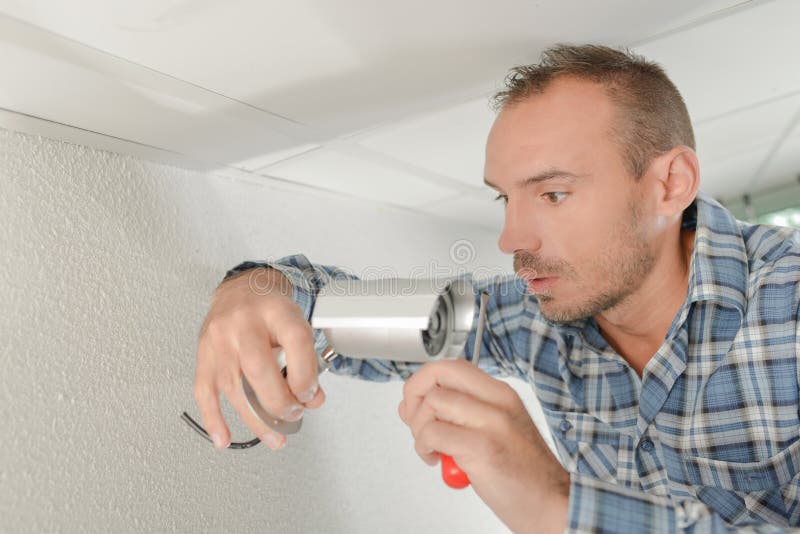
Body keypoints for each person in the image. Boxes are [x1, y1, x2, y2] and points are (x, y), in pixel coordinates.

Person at [192, 44, 800, 532]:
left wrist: (553, 502)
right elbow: (338, 311)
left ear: (670, 184)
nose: (510, 238)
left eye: (553, 194)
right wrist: (256, 289)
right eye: (506, 198)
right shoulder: (529, 315)